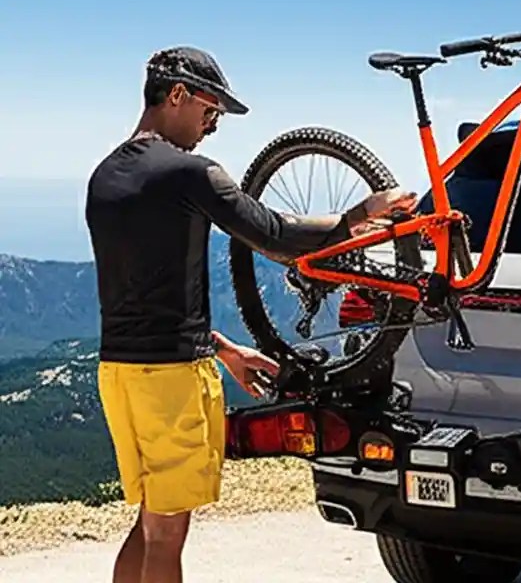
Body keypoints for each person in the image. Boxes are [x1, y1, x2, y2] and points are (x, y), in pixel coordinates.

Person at [85, 46, 416, 583]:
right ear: (177, 95)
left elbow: (146, 299)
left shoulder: (105, 176)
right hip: (171, 381)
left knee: (149, 522)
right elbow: (279, 238)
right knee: (168, 537)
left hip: (120, 374)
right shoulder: (189, 173)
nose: (212, 126)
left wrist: (224, 350)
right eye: (210, 110)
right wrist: (364, 213)